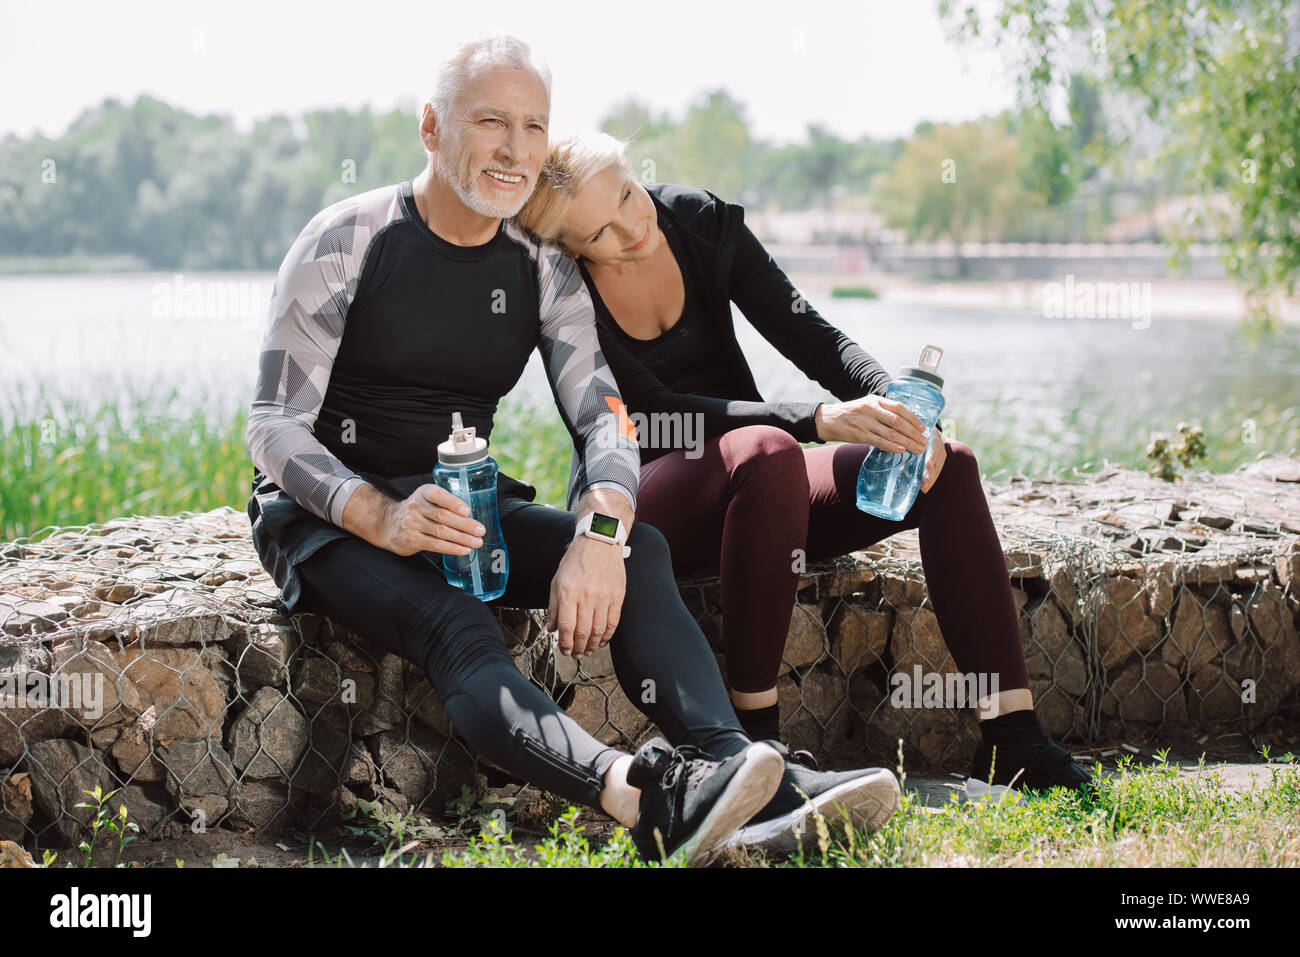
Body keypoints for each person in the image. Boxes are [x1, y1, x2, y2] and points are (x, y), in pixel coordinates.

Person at [244, 36, 896, 865]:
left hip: (462, 504)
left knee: (644, 547)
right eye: (490, 122)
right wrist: (380, 514)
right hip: (325, 515)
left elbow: (606, 417)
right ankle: (647, 797)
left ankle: (741, 774)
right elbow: (271, 426)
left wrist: (601, 530)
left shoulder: (540, 268)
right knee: (458, 625)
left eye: (533, 127)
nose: (515, 149)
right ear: (432, 127)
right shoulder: (346, 239)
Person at [514, 132, 1092, 793]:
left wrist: (904, 415)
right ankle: (758, 744)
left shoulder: (700, 222)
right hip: (641, 508)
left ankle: (1014, 739)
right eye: (600, 234)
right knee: (772, 448)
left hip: (762, 496)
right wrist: (816, 419)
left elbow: (812, 336)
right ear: (571, 247)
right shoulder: (563, 290)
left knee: (950, 467)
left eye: (627, 194)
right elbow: (650, 410)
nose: (631, 228)